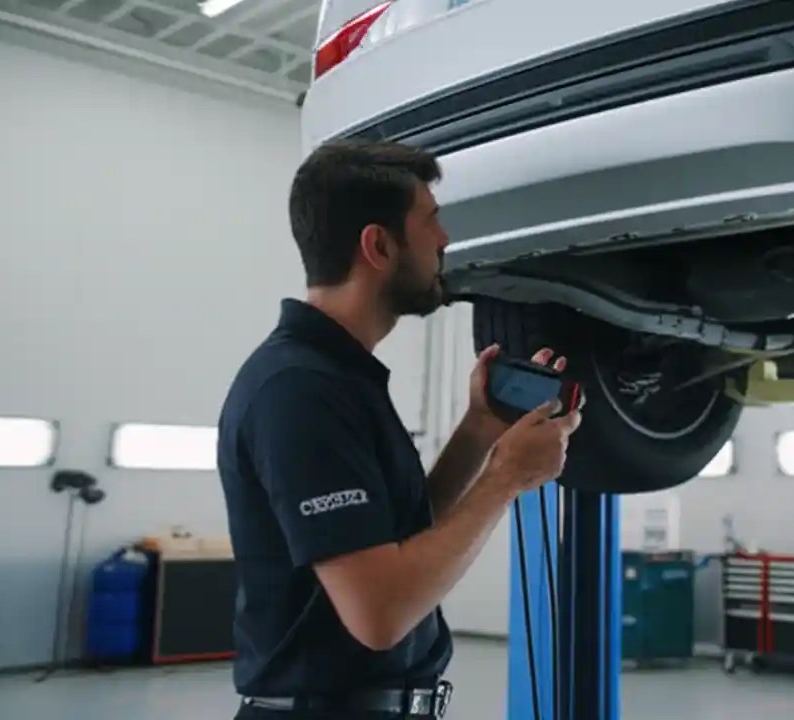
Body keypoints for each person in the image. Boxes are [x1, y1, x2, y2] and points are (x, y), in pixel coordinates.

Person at [216, 138, 581, 719]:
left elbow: (396, 540)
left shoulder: (338, 377)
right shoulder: (300, 391)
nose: (444, 242)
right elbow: (379, 613)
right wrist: (505, 479)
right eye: (431, 222)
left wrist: (479, 432)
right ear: (379, 245)